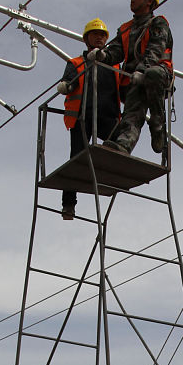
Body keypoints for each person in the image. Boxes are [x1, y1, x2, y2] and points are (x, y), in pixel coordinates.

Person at [91, 0, 172, 157]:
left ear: (149, 1)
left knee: (151, 74)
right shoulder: (126, 28)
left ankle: (157, 123)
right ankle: (124, 145)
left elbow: (155, 50)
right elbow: (116, 51)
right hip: (135, 81)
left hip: (158, 74)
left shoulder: (158, 23)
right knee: (132, 114)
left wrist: (142, 71)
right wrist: (103, 56)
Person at [56, 18, 122, 220]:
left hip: (108, 117)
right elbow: (69, 81)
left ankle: (108, 180)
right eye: (95, 34)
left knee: (120, 145)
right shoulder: (76, 63)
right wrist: (66, 85)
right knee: (76, 158)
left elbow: (126, 88)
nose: (100, 38)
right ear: (87, 39)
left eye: (102, 35)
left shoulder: (115, 66)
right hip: (82, 117)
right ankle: (69, 204)